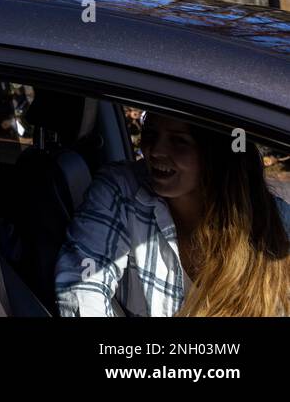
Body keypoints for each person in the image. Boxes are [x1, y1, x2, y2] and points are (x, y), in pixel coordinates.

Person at [55, 110, 290, 316]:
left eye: (179, 141)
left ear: (215, 152)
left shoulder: (274, 220)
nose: (156, 151)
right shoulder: (121, 190)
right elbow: (84, 284)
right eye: (150, 135)